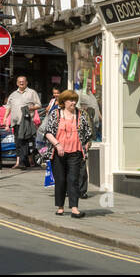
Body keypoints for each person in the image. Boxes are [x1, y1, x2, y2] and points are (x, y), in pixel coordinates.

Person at [40, 90, 92, 218]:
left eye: (75, 100)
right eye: (71, 100)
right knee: (61, 180)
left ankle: (74, 208)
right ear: (64, 102)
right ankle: (60, 207)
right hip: (58, 152)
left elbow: (88, 133)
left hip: (75, 152)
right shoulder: (56, 114)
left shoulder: (81, 114)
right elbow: (48, 132)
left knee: (73, 180)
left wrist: (86, 145)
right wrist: (57, 145)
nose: (73, 102)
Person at [5, 75, 41, 170]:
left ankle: (21, 162)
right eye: (19, 81)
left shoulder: (32, 92)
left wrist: (31, 108)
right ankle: (21, 161)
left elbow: (39, 105)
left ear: (26, 82)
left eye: (23, 81)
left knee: (24, 141)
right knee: (18, 142)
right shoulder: (13, 95)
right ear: (17, 83)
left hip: (26, 122)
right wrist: (5, 120)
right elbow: (8, 107)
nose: (21, 83)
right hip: (16, 122)